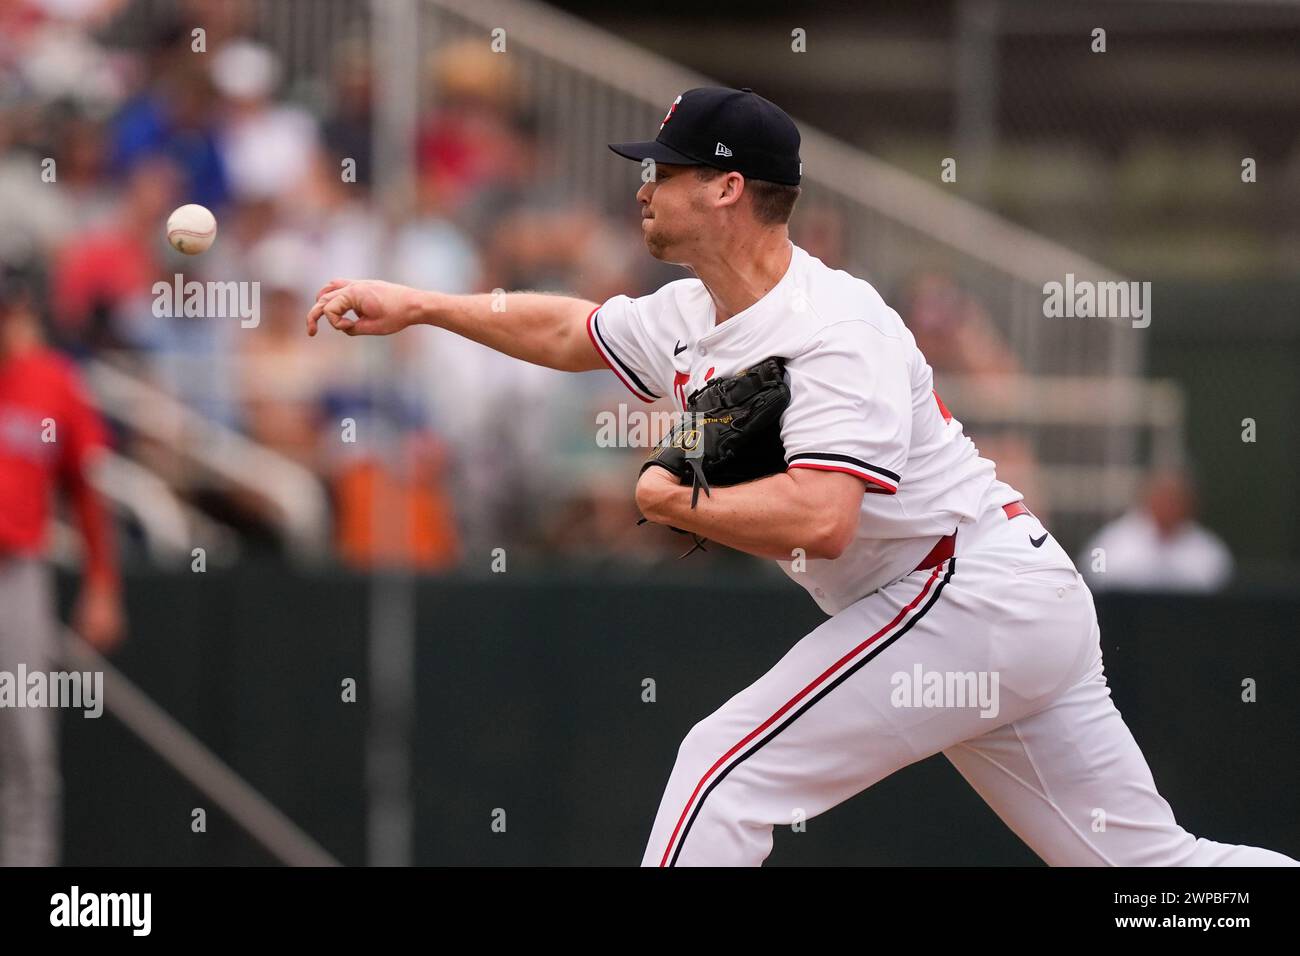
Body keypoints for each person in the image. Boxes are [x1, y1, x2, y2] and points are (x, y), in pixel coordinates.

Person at [305, 87, 1296, 867]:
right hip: (995, 596)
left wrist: (676, 497)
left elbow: (822, 518)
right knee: (1156, 870)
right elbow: (570, 328)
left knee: (720, 767)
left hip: (962, 591)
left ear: (726, 187)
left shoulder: (834, 330)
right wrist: (422, 304)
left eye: (665, 169)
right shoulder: (698, 307)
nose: (642, 185)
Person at [0, 256, 124, 866]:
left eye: (12, 308)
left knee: (24, 745)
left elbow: (89, 486)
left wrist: (102, 581)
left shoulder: (53, 380)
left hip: (16, 574)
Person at [1081, 468, 1233, 592]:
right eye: (1163, 498)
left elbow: (1214, 582)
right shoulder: (1111, 543)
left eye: (1176, 500)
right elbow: (1096, 580)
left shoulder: (1209, 551)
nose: (1169, 506)